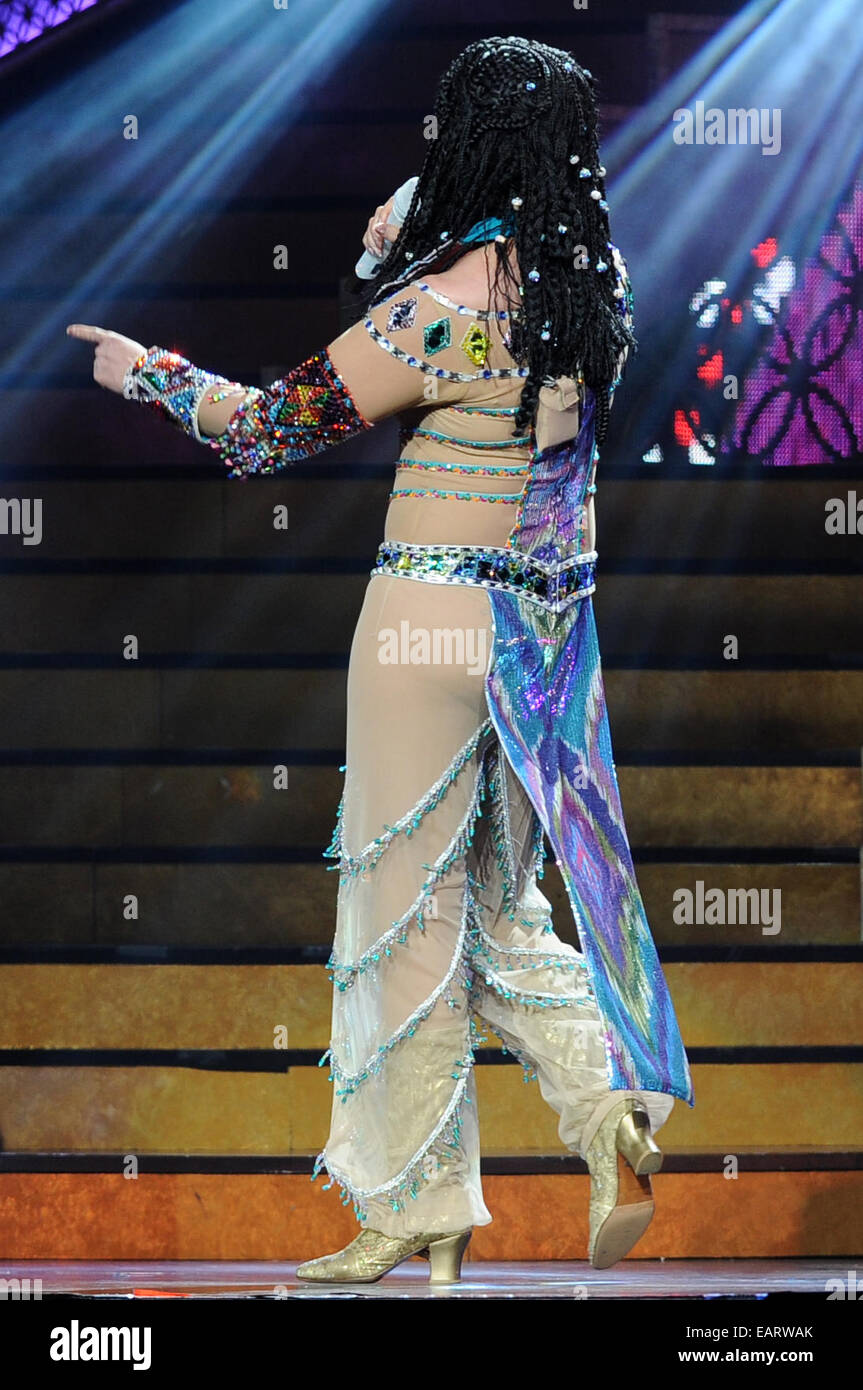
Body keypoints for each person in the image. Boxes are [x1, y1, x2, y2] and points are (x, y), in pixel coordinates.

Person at [67, 34, 693, 1286]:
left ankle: (416, 1207)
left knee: (400, 920)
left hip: (424, 629)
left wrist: (151, 376)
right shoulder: (594, 294)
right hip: (543, 636)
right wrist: (392, 242)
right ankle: (608, 1104)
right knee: (500, 917)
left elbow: (264, 428)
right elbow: (472, 280)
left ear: (464, 150)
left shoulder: (436, 313)